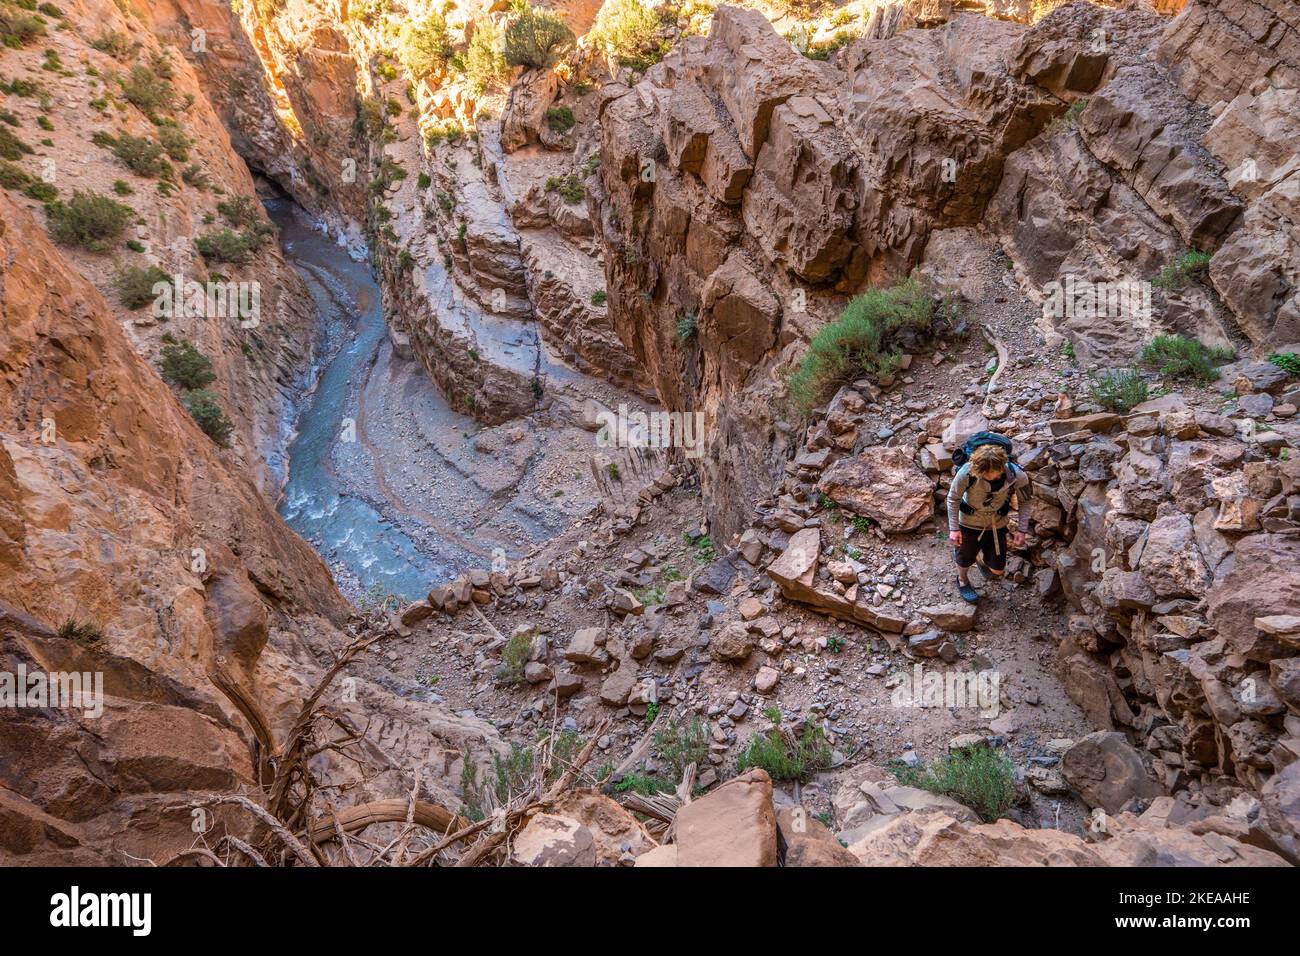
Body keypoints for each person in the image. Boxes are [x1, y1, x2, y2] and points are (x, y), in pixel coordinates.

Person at [946, 441, 1030, 603]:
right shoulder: (967, 472)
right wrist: (954, 528)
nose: (987, 477)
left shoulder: (1017, 475)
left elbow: (1025, 501)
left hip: (996, 523)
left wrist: (1022, 529)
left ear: (1002, 466)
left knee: (997, 570)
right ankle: (962, 580)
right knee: (964, 557)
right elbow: (953, 498)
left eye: (992, 472)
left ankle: (979, 558)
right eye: (983, 474)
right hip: (968, 522)